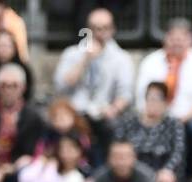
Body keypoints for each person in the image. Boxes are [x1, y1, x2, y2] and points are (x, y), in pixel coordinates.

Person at [134, 20, 192, 182]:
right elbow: (140, 99)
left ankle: (190, 173)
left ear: (190, 40)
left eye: (182, 38)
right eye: (173, 38)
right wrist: (159, 119)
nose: (177, 42)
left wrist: (175, 122)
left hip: (187, 119)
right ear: (165, 38)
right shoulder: (150, 62)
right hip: (155, 118)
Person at [52, 7, 134, 154]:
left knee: (114, 127)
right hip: (76, 112)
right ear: (87, 30)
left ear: (112, 29)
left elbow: (126, 93)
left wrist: (113, 109)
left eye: (104, 28)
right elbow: (60, 86)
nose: (99, 33)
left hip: (105, 112)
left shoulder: (122, 58)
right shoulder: (72, 54)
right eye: (95, 28)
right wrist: (85, 60)